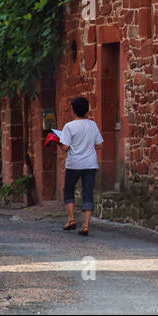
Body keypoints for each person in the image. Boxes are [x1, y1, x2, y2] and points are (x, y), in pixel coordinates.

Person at [54, 96, 104, 236]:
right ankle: (86, 225)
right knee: (88, 193)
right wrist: (88, 146)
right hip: (90, 163)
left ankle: (71, 220)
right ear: (87, 110)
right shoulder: (92, 125)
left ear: (73, 110)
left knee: (69, 191)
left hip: (74, 164)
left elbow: (65, 147)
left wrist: (57, 141)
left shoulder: (69, 126)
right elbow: (100, 145)